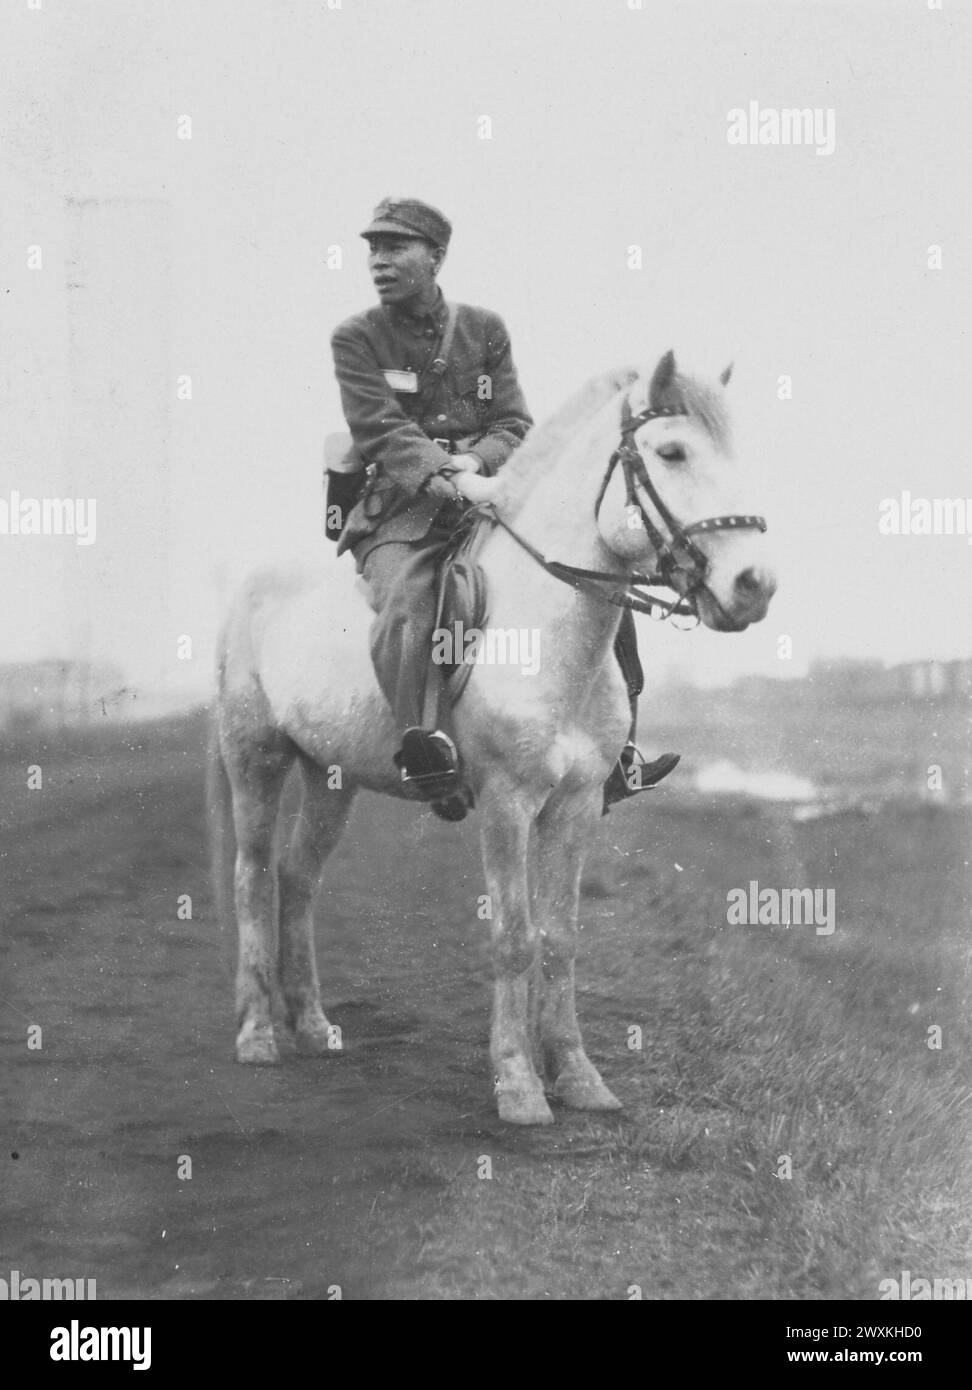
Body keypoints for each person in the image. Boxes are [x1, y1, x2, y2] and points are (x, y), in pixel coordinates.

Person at [330, 197, 677, 817]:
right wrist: (443, 474)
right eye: (372, 249)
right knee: (410, 601)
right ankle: (426, 749)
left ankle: (618, 749)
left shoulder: (483, 330)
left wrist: (478, 462)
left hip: (486, 496)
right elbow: (378, 427)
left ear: (435, 257)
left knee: (600, 587)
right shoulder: (358, 338)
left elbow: (514, 421)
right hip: (400, 510)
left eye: (394, 247)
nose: (378, 261)